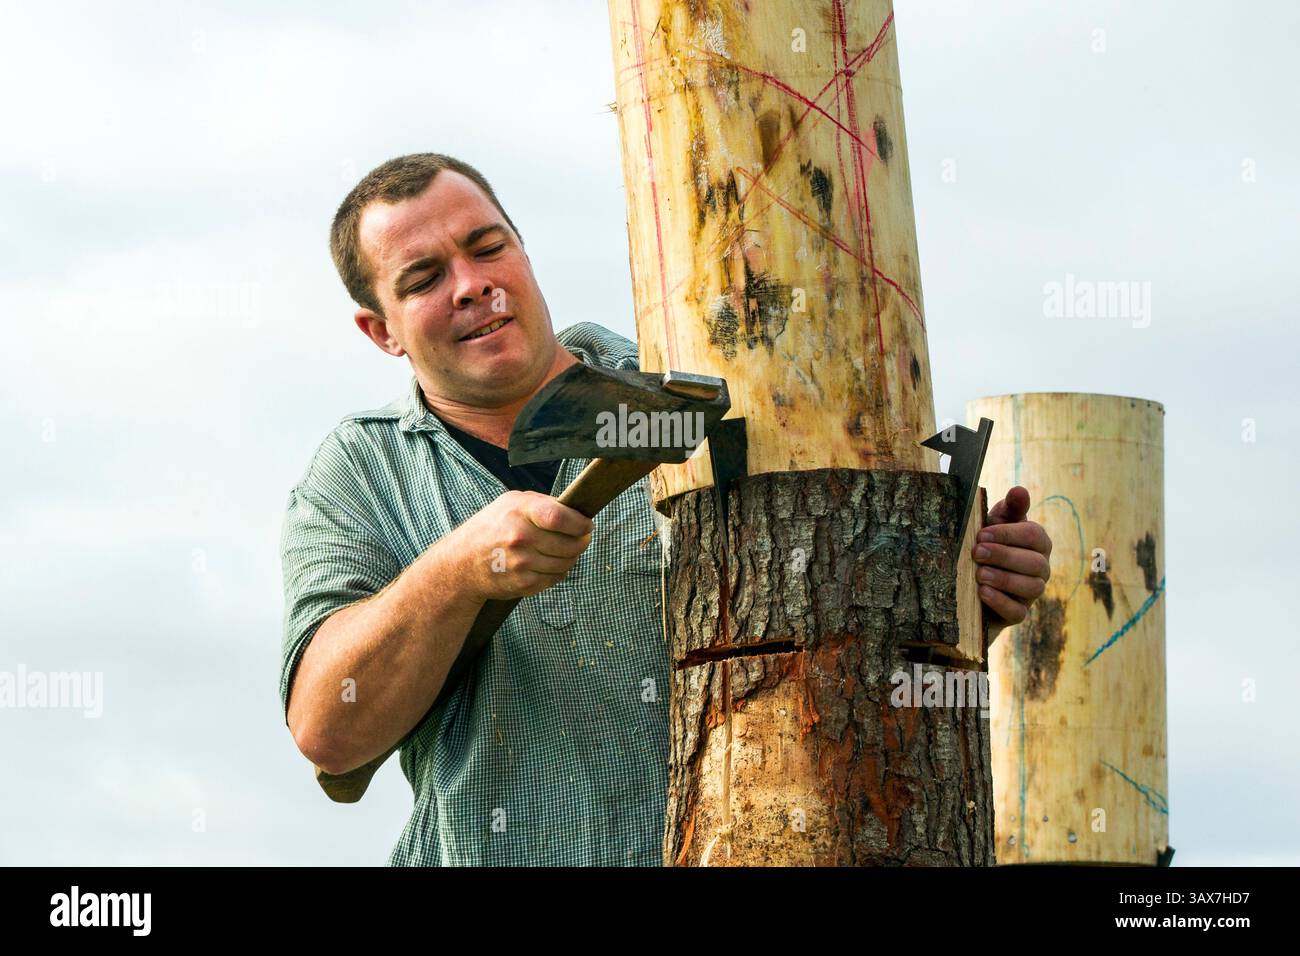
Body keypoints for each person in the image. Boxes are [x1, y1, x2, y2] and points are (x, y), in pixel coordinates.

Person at [279, 153, 1053, 866]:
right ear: (380, 329)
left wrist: (964, 580)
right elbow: (329, 733)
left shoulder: (699, 392)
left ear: (522, 249)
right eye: (423, 277)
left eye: (488, 247)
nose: (472, 283)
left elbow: (842, 600)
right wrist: (456, 571)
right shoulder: (358, 474)